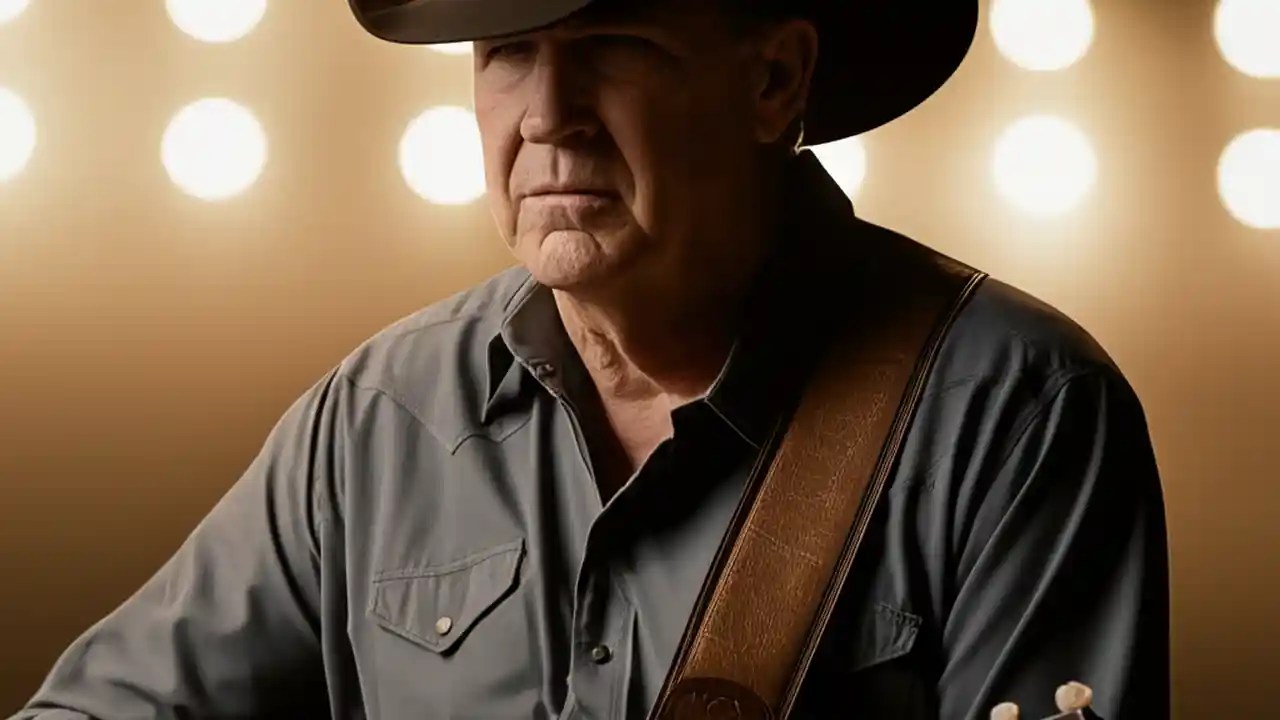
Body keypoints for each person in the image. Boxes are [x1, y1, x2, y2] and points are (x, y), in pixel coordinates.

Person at [11, 0, 1170, 718]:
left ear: (772, 81)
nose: (547, 111)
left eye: (612, 40)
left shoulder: (1012, 411)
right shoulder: (375, 421)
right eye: (509, 50)